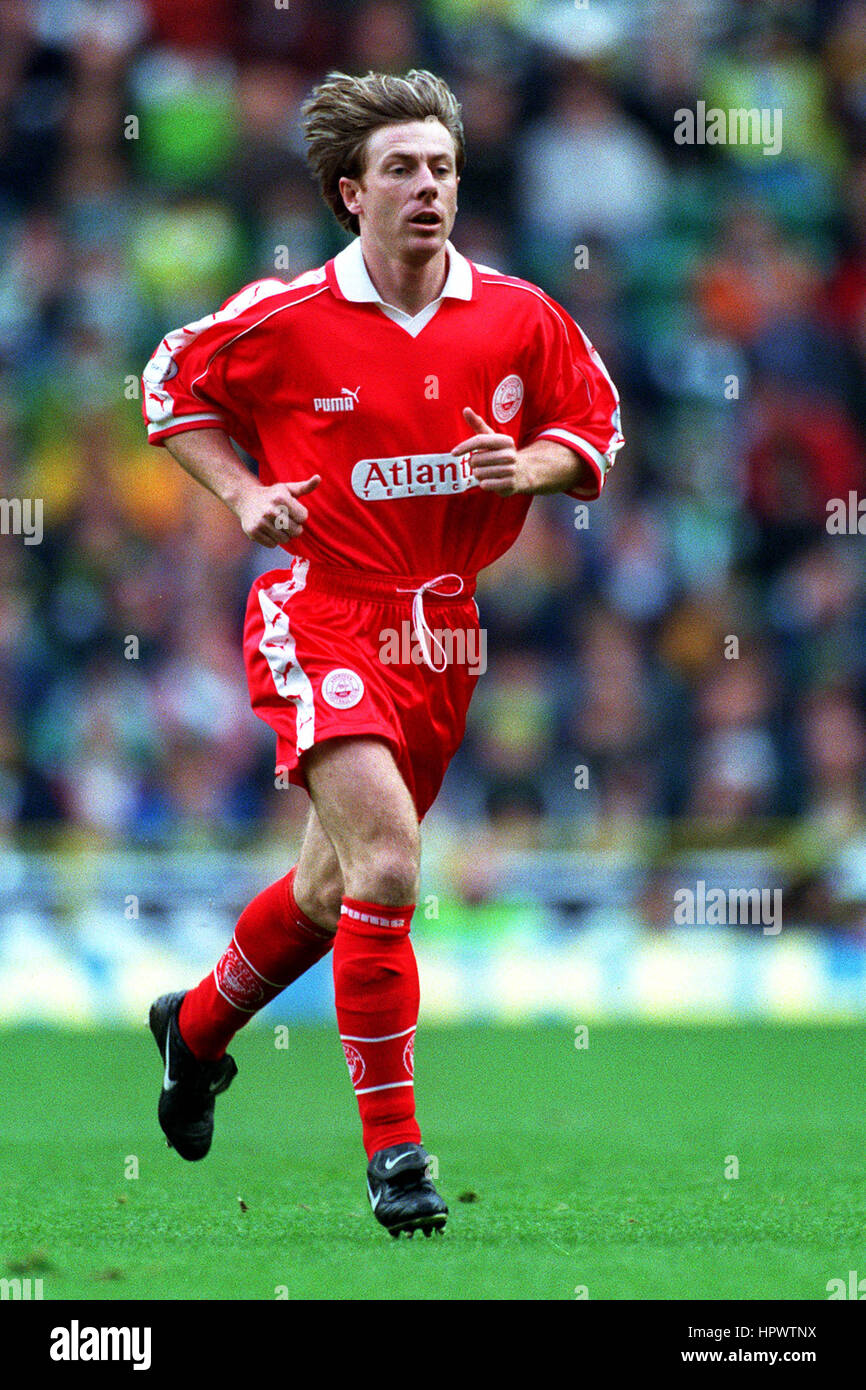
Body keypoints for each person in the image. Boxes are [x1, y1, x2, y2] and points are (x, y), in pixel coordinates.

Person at [141, 68, 624, 1238]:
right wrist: (245, 490)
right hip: (322, 609)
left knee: (328, 889)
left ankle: (194, 1030)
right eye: (402, 168)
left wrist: (535, 467)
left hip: (443, 631)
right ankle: (396, 1159)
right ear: (348, 191)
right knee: (394, 867)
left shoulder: (517, 315)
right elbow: (166, 386)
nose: (428, 188)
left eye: (444, 168)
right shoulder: (283, 317)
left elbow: (593, 417)